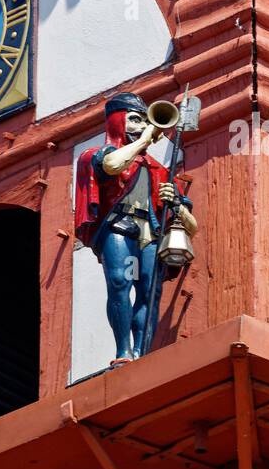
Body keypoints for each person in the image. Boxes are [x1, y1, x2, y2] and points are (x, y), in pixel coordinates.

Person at [74, 93, 197, 365]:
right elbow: (112, 165)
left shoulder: (159, 171)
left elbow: (192, 226)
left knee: (149, 292)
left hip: (149, 232)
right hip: (119, 225)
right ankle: (123, 351)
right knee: (119, 282)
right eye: (133, 120)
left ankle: (141, 352)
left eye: (144, 121)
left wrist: (175, 204)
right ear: (117, 122)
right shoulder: (98, 155)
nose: (141, 126)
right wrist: (146, 140)